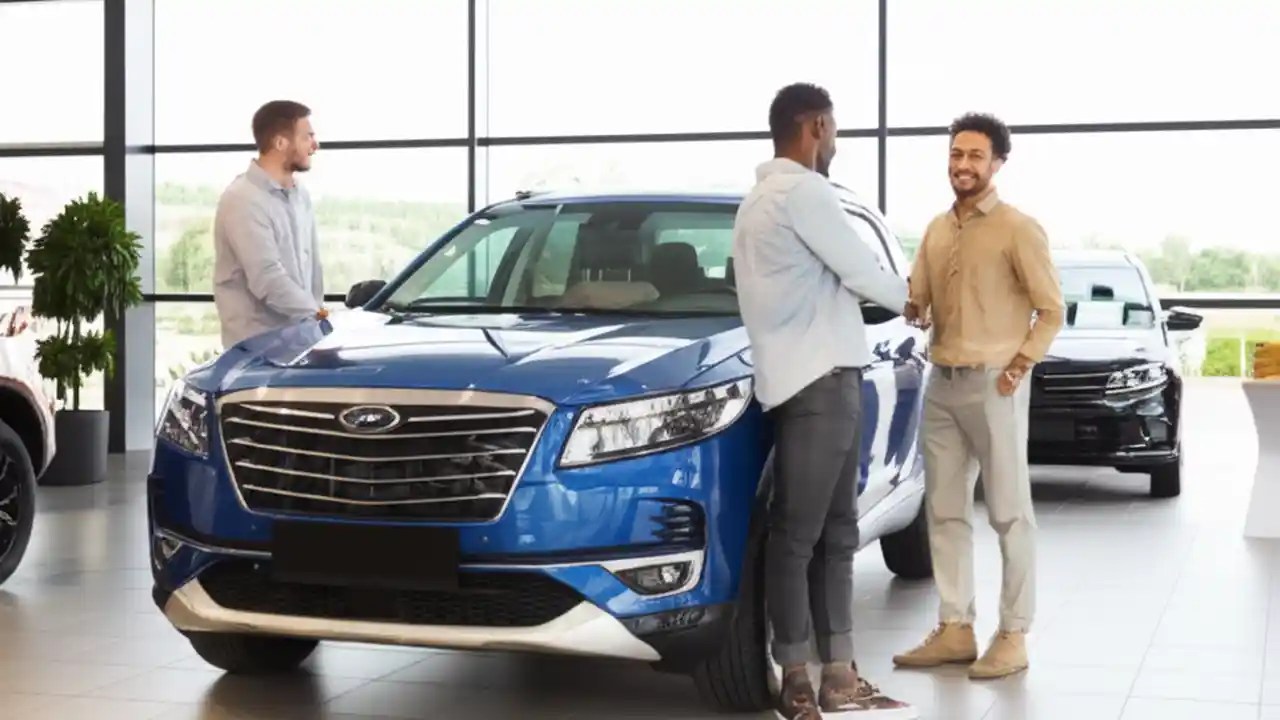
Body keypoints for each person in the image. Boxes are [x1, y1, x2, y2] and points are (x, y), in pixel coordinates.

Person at [732, 82, 916, 719]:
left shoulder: (758, 200)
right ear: (813, 127)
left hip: (798, 382)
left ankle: (838, 676)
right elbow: (861, 270)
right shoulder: (804, 191)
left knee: (834, 533)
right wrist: (923, 302)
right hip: (822, 383)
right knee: (800, 537)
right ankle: (799, 682)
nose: (835, 141)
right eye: (833, 129)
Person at [893, 112, 1065, 679]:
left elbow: (1051, 308)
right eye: (955, 154)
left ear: (997, 163)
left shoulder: (1018, 227)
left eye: (974, 156)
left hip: (996, 383)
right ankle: (955, 627)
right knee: (944, 512)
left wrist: (1020, 364)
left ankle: (1014, 634)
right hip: (941, 384)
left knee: (1010, 514)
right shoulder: (937, 229)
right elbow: (918, 299)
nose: (962, 165)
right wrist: (914, 306)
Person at [213, 99, 327, 348]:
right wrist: (319, 318)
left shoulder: (300, 195)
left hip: (299, 342)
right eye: (307, 137)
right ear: (280, 143)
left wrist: (317, 321)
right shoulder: (242, 199)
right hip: (256, 353)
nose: (315, 146)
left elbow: (313, 268)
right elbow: (267, 279)